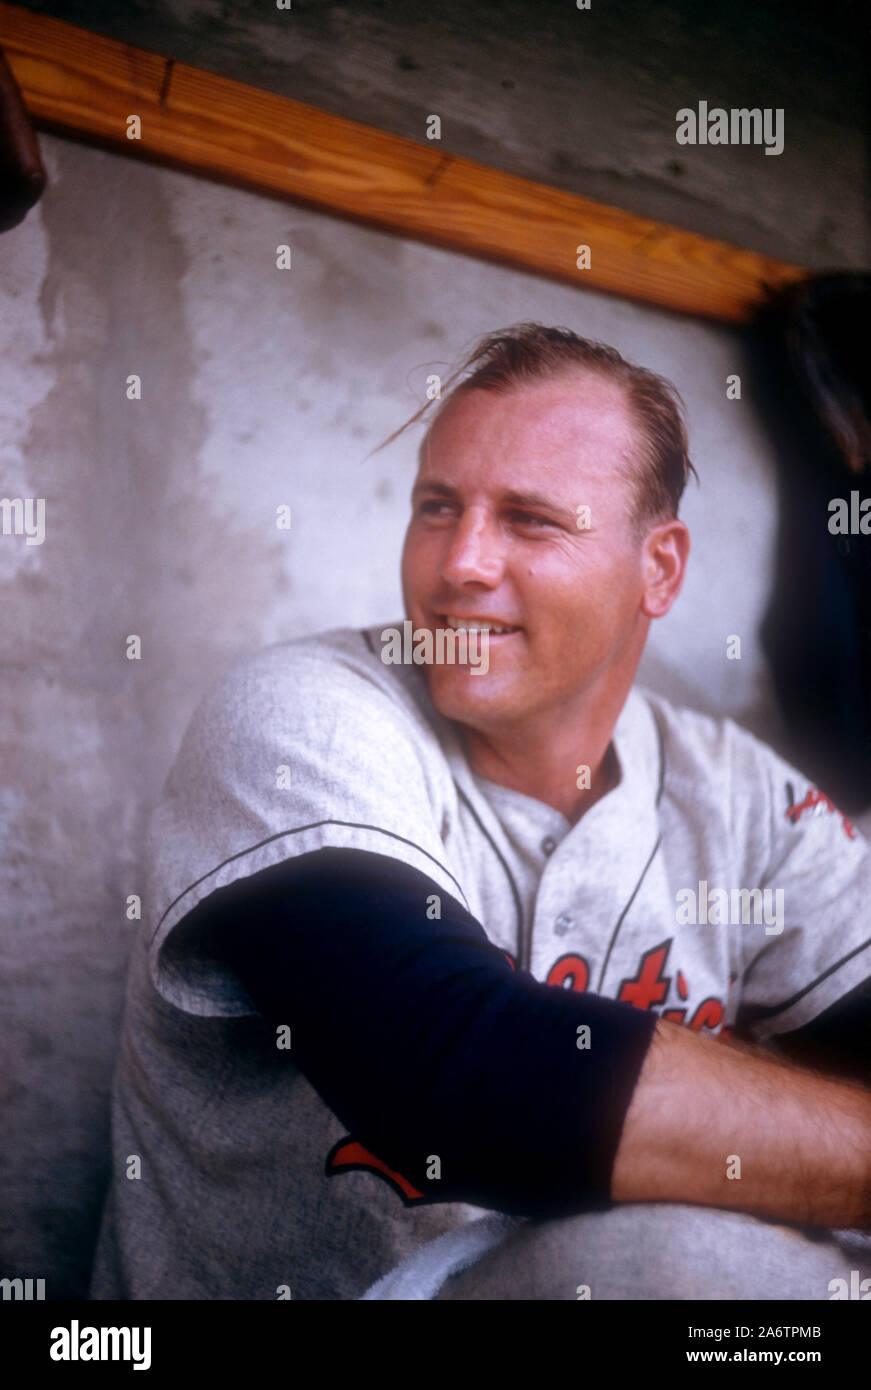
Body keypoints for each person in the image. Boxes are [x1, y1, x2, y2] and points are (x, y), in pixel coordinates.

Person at [90, 324, 871, 1302]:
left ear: (659, 569)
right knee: (697, 1267)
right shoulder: (300, 714)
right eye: (436, 506)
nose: (460, 560)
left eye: (530, 519)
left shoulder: (738, 793)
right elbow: (454, 1075)